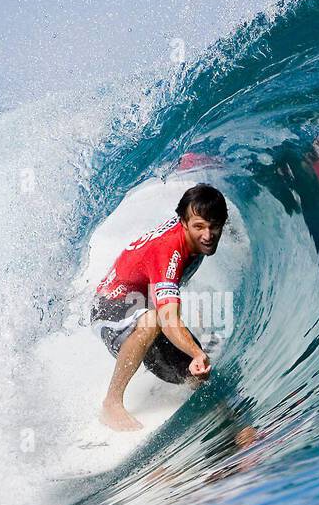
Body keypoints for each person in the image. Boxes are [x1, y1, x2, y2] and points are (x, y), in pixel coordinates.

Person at [90, 183, 228, 431]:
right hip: (108, 309)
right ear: (184, 223)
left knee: (198, 376)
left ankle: (225, 436)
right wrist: (196, 351)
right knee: (155, 322)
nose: (208, 235)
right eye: (199, 227)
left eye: (214, 226)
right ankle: (111, 403)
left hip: (139, 306)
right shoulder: (169, 252)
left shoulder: (194, 234)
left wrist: (193, 355)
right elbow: (166, 318)